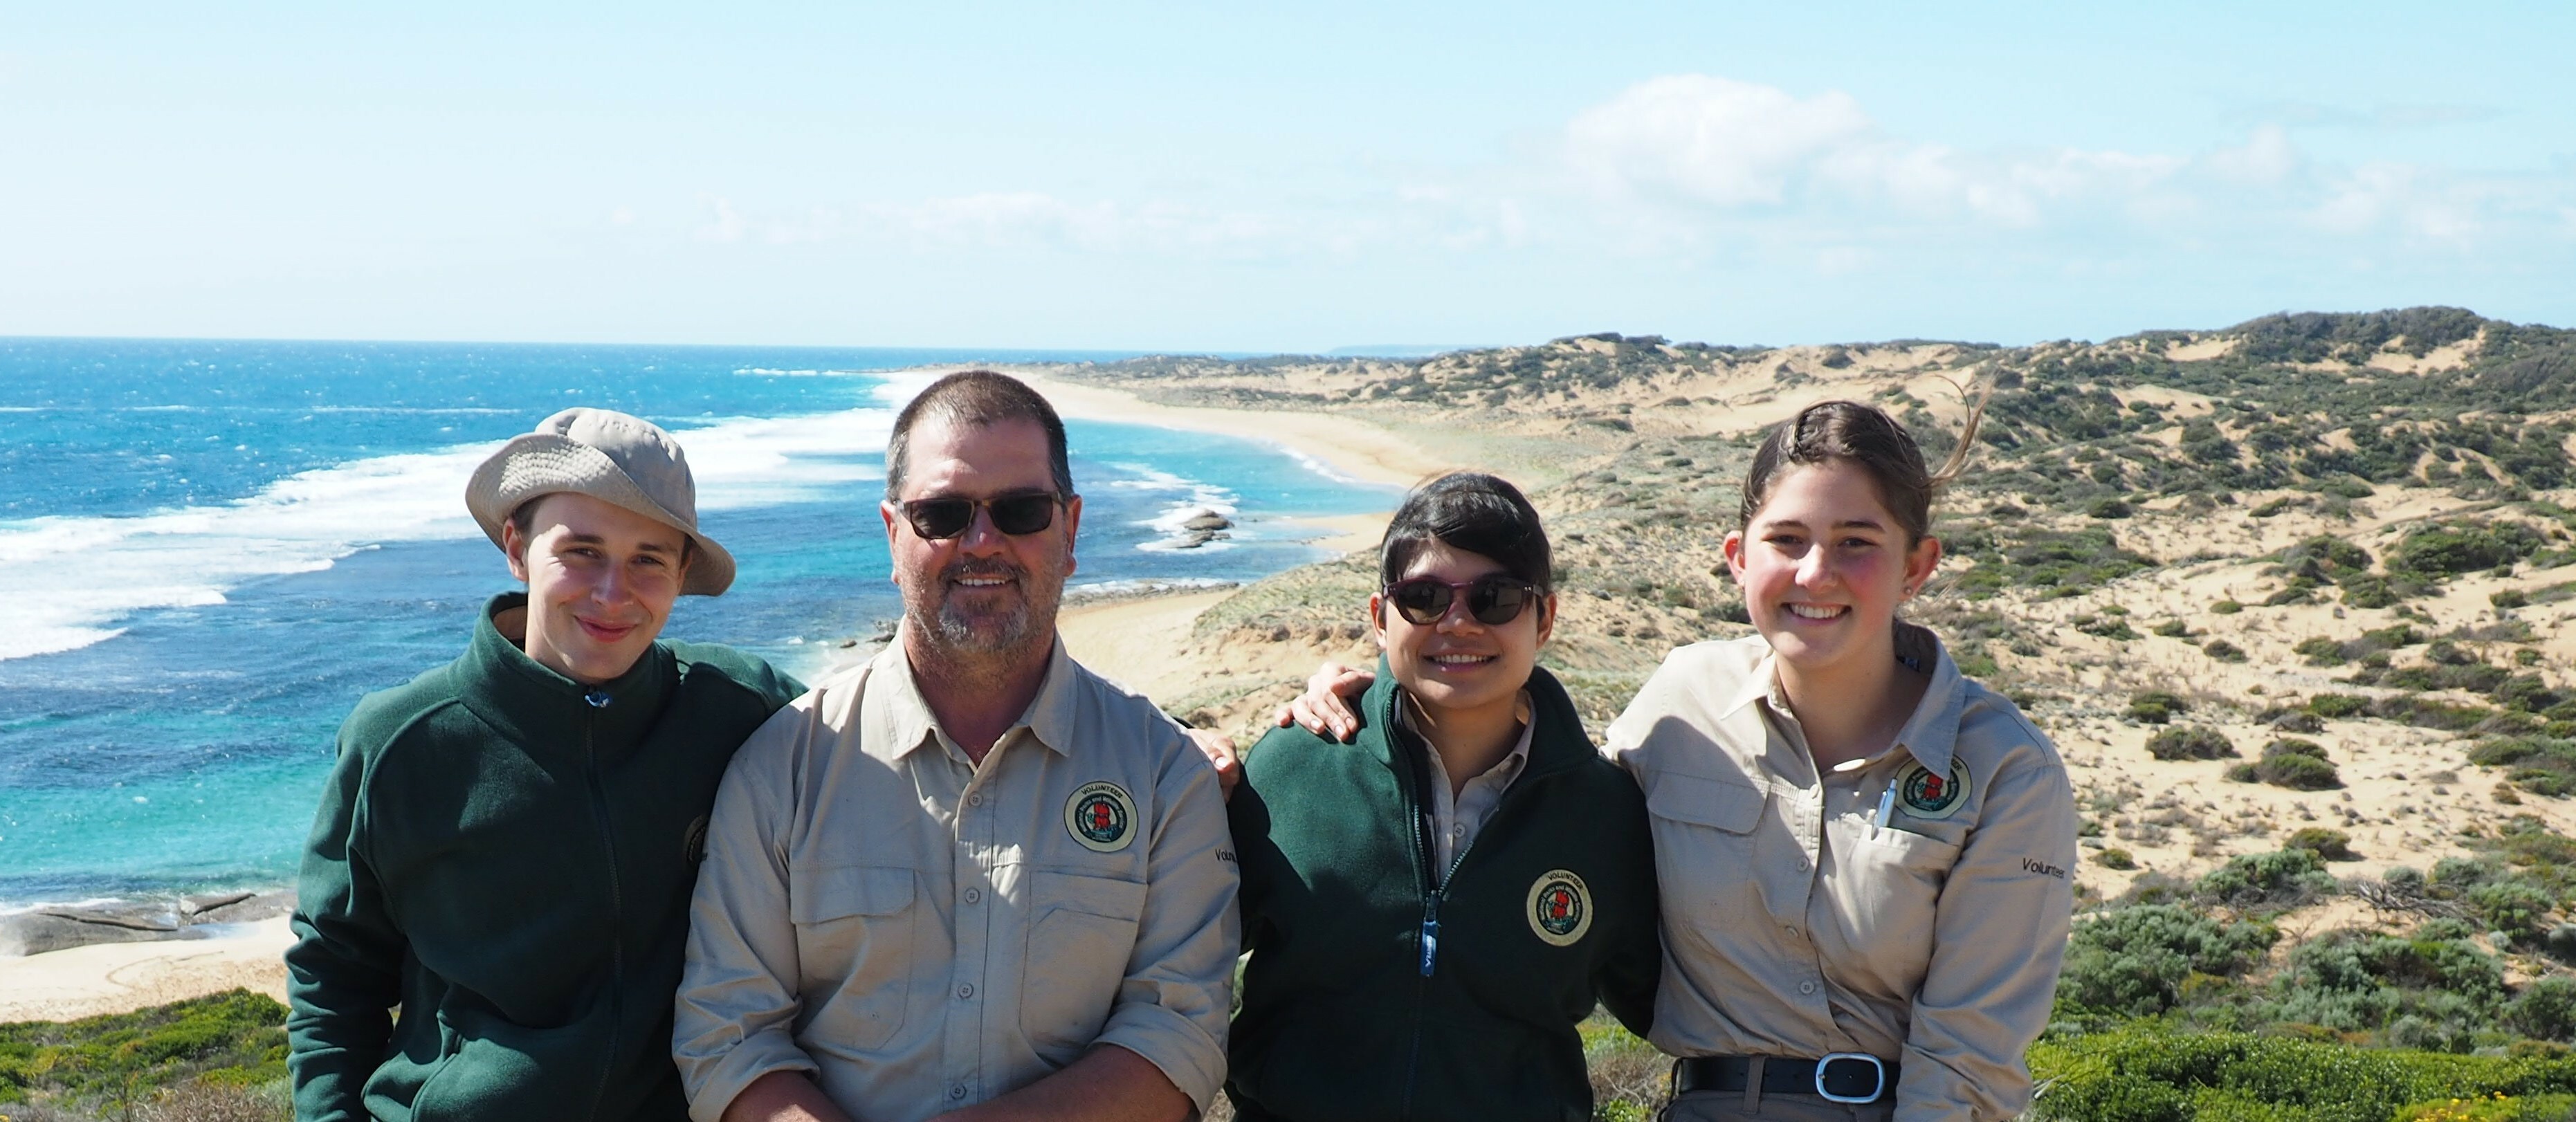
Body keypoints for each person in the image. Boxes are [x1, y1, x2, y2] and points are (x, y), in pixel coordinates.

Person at [1277, 400, 2075, 1121]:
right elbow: (1540, 793)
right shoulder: (1684, 698)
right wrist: (1363, 697)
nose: (1813, 572)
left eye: (1855, 543)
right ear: (1737, 556)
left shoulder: (2004, 769)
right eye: (1786, 540)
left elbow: (1967, 1061)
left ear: (1917, 565)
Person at [674, 371, 1238, 1122]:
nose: (980, 542)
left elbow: (1179, 1036)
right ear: (892, 533)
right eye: (940, 513)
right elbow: (728, 1041)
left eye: (1020, 510)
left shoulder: (1165, 773)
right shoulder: (784, 768)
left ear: (1069, 530)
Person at [286, 408, 807, 1122]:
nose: (610, 592)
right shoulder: (402, 741)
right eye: (582, 550)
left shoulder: (741, 708)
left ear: (682, 573)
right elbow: (333, 975)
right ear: (516, 546)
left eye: (648, 558)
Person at [1226, 472, 1661, 1121]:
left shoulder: (1607, 815)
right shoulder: (1291, 768)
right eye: (1423, 598)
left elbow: (1674, 1003)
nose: (1457, 623)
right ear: (1380, 619)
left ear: (1543, 619)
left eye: (1495, 598)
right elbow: (1174, 967)